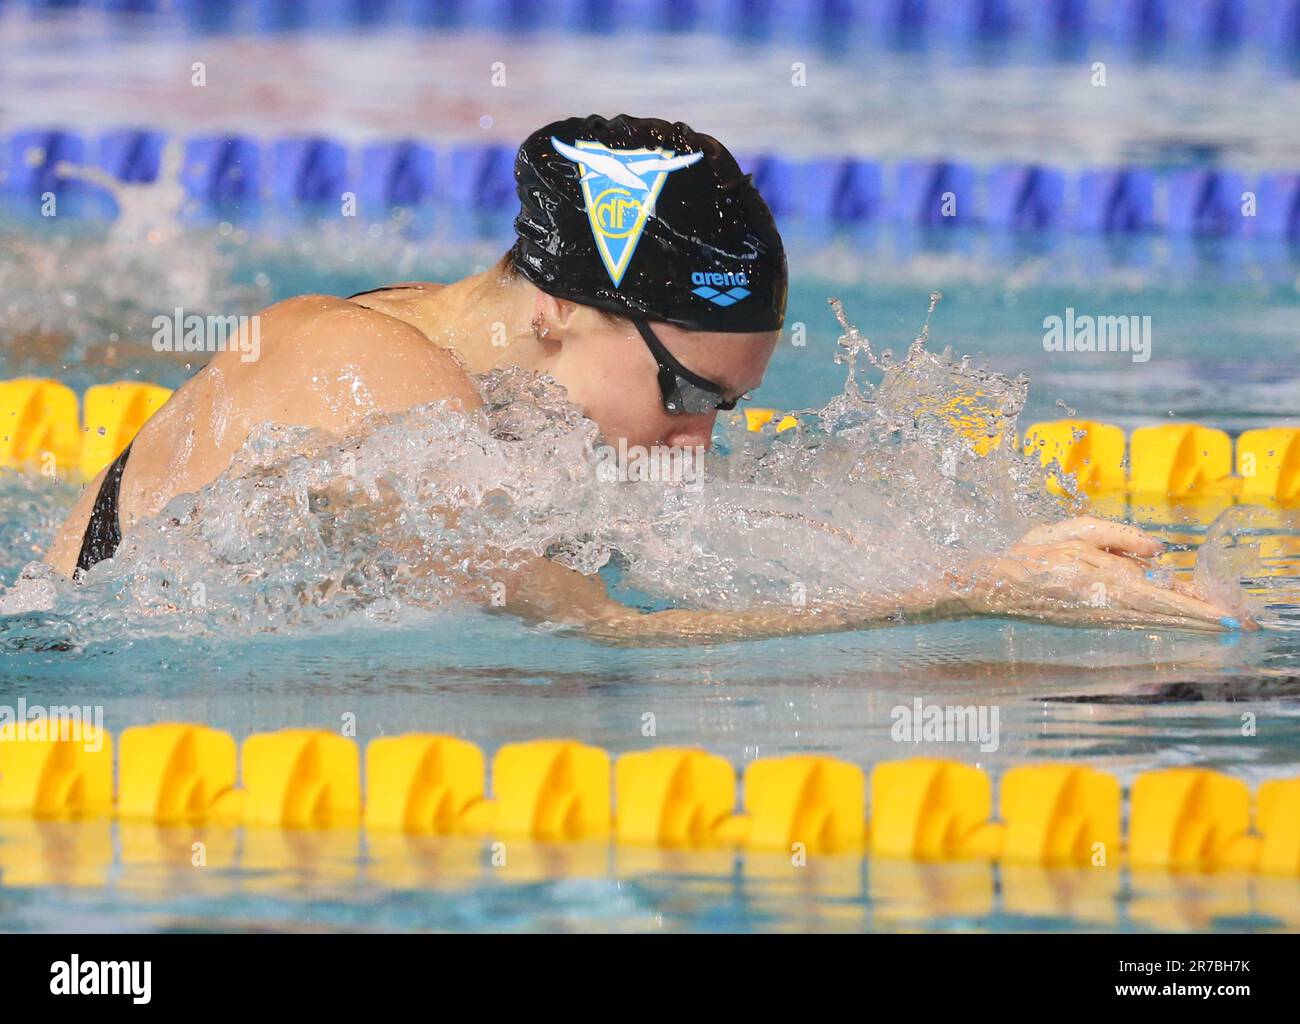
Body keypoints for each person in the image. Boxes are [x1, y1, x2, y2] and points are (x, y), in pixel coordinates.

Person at [44, 114, 1251, 640]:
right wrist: (961, 594)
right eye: (685, 396)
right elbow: (608, 636)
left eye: (723, 411)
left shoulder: (510, 381)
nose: (697, 445)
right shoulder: (382, 384)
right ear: (563, 311)